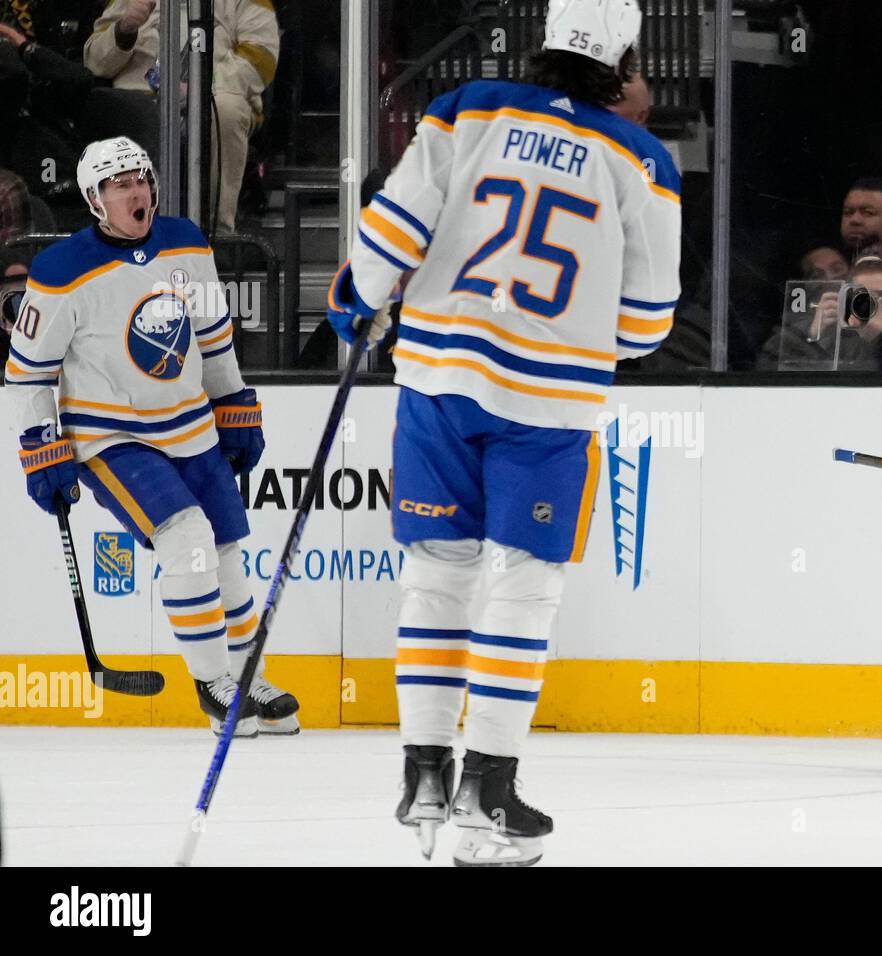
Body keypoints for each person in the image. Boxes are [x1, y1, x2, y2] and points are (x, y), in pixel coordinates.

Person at [326, 0, 680, 866]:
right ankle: (489, 787)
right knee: (523, 589)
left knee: (435, 578)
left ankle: (423, 775)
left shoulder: (467, 107)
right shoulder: (643, 159)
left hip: (438, 380)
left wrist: (358, 301)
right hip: (549, 405)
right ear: (619, 60)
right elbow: (646, 323)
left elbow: (390, 232)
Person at [4, 136, 299, 736]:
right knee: (185, 535)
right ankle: (215, 685)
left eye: (141, 179)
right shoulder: (61, 270)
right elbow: (26, 373)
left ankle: (244, 674)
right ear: (94, 198)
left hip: (189, 425)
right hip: (111, 437)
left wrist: (235, 402)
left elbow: (212, 333)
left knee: (224, 553)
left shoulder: (185, 241)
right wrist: (41, 449)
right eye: (120, 185)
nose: (136, 191)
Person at [84, 0, 280, 233]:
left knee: (226, 110)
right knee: (124, 111)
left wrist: (201, 85)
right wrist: (124, 29)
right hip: (140, 98)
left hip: (214, 94)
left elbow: (261, 56)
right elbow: (94, 63)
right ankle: (131, 231)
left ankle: (217, 232)